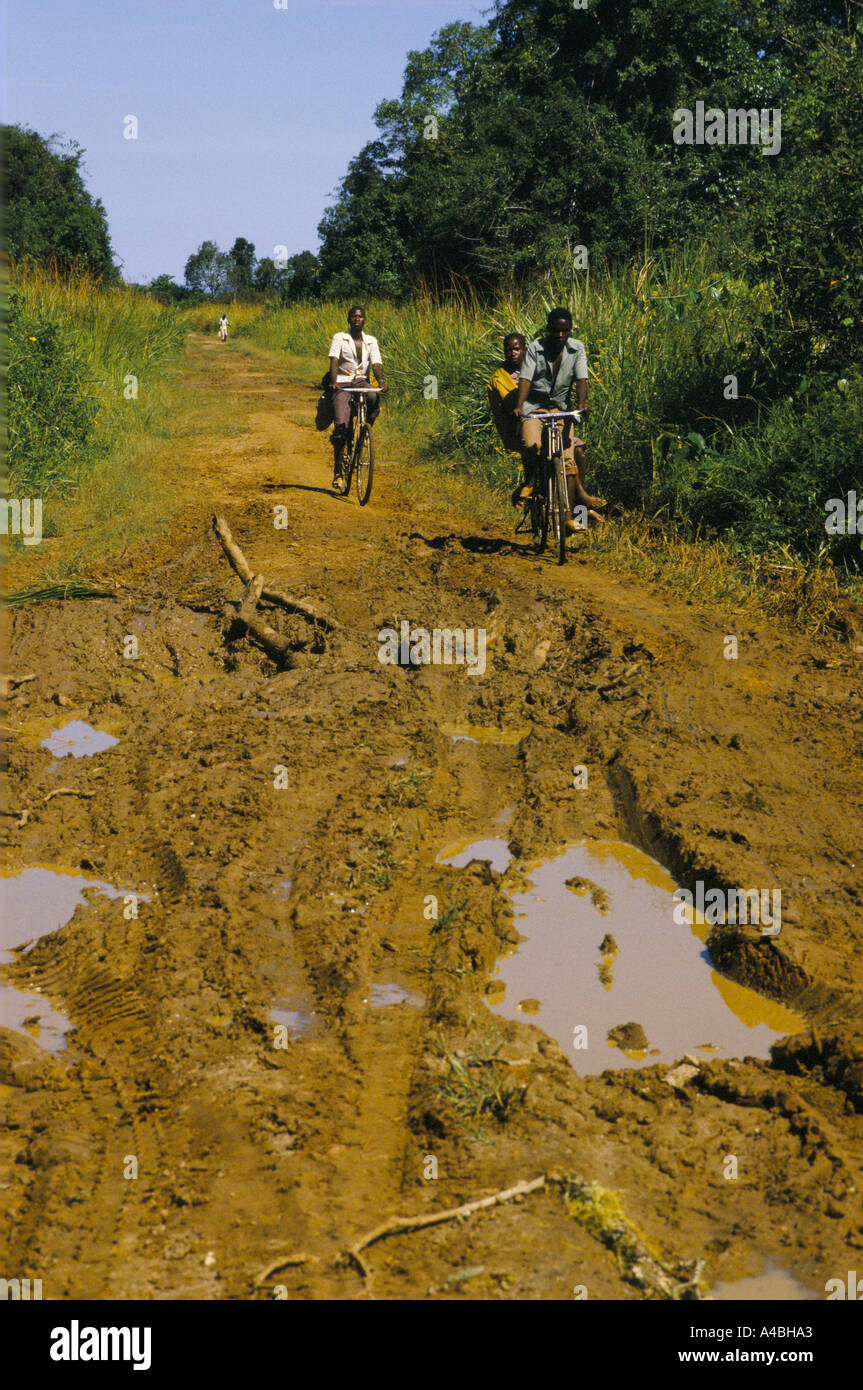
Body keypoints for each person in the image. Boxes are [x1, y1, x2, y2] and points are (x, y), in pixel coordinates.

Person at [514, 307, 605, 530]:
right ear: (548, 329)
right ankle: (532, 482)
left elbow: (581, 379)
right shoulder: (536, 348)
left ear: (570, 330)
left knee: (568, 459)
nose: (560, 336)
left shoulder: (577, 348)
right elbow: (525, 379)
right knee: (531, 443)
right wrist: (519, 406)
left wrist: (582, 403)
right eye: (556, 331)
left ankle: (568, 517)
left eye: (565, 331)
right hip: (535, 408)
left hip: (561, 410)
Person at [328, 306, 388, 488]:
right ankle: (338, 471)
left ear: (364, 320)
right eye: (353, 316)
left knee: (372, 396)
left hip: (361, 381)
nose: (357, 319)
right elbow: (334, 361)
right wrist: (334, 381)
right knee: (341, 427)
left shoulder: (371, 341)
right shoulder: (340, 338)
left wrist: (381, 381)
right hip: (343, 382)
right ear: (349, 319)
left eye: (360, 316)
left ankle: (364, 431)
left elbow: (376, 364)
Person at [487, 333, 525, 455]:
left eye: (517, 349)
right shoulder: (497, 379)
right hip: (518, 426)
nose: (513, 353)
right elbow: (498, 414)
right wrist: (507, 439)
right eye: (509, 350)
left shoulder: (535, 370)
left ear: (524, 349)